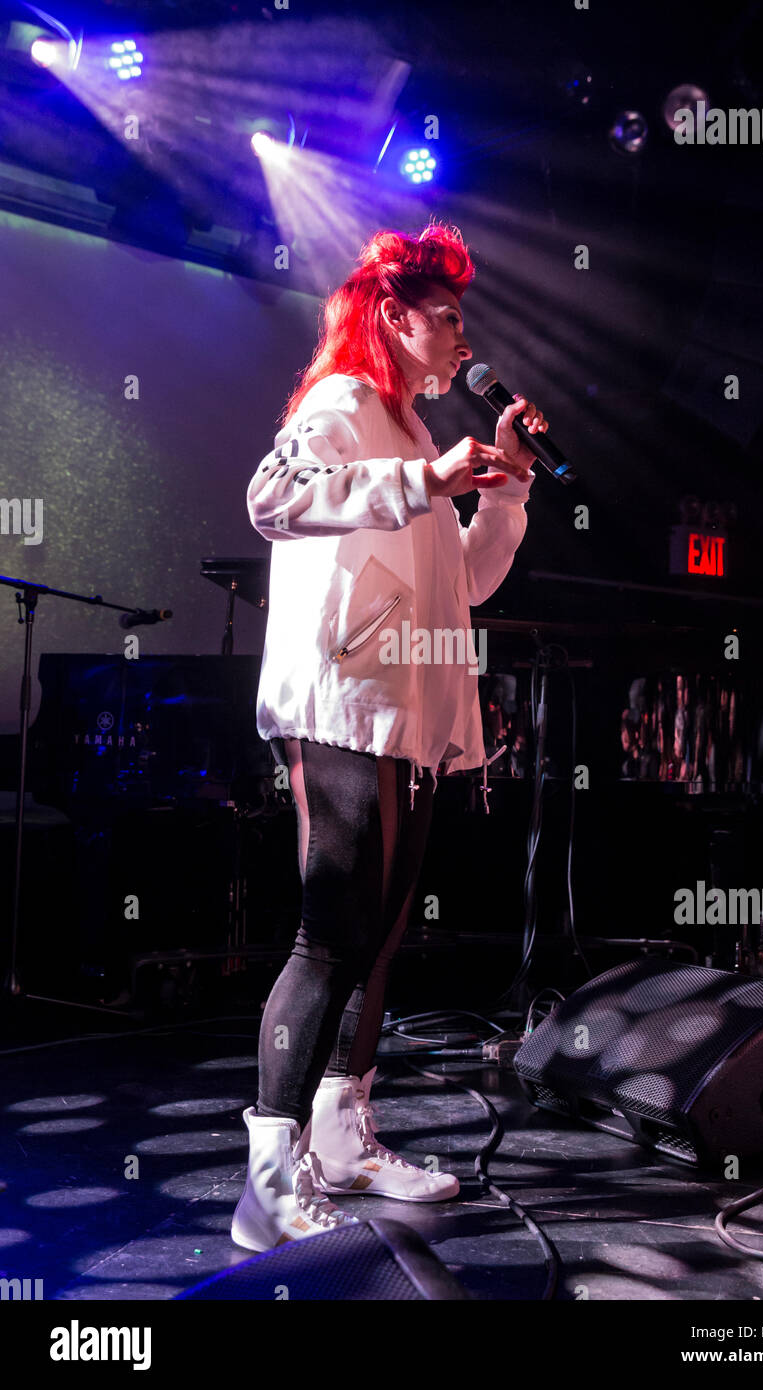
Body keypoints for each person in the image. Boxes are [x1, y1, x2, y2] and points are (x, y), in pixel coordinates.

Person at [232, 220, 548, 1250]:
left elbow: (456, 583)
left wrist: (499, 490)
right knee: (330, 933)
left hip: (405, 715)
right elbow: (270, 499)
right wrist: (421, 481)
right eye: (446, 320)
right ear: (390, 315)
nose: (463, 342)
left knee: (377, 935)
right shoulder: (342, 403)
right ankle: (266, 1180)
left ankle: (341, 1131)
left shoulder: (414, 430)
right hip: (340, 702)